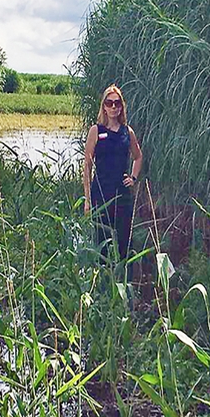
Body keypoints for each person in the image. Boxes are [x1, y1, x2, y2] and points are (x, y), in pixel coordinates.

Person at [83, 84, 143, 278]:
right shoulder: (96, 130)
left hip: (122, 195)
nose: (114, 107)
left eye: (117, 103)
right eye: (110, 103)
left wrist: (133, 178)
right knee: (102, 242)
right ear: (104, 106)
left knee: (125, 241)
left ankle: (127, 284)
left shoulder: (127, 132)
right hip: (101, 193)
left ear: (121, 107)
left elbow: (138, 156)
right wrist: (87, 199)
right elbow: (87, 166)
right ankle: (102, 285)